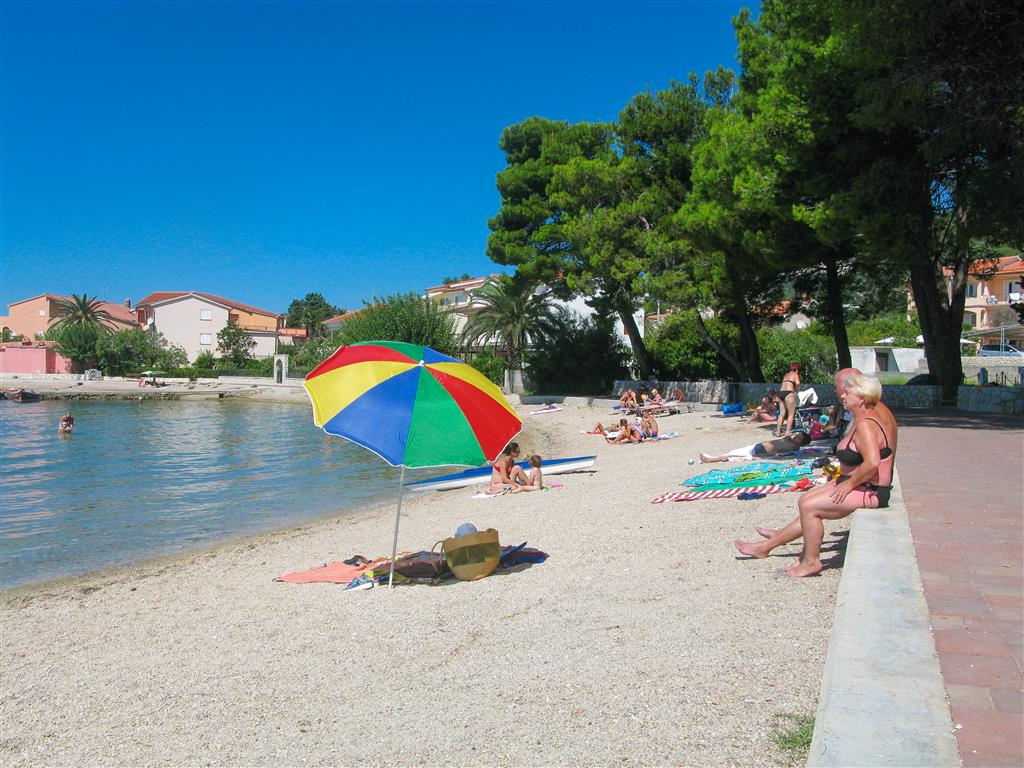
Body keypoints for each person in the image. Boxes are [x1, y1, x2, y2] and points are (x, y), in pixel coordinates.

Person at [734, 374, 898, 578]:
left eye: (847, 393)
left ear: (862, 398)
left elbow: (872, 462)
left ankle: (811, 561)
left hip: (871, 491)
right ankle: (787, 550)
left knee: (810, 507)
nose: (842, 395)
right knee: (806, 500)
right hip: (860, 484)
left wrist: (848, 485)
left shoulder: (866, 424)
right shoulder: (862, 419)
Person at [699, 431, 811, 463]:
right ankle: (716, 458)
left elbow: (777, 453)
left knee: (733, 454)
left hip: (760, 450)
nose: (795, 436)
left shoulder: (793, 447)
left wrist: (761, 455)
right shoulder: (790, 440)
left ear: (801, 443)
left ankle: (711, 460)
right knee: (734, 453)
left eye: (798, 437)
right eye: (797, 435)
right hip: (758, 446)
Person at [775, 363, 801, 437]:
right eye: (798, 370)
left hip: (780, 393)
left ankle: (778, 432)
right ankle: (788, 432)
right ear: (796, 369)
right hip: (789, 393)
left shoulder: (786, 375)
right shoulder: (795, 374)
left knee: (781, 414)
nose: (799, 371)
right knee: (791, 414)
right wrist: (797, 390)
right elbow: (798, 383)